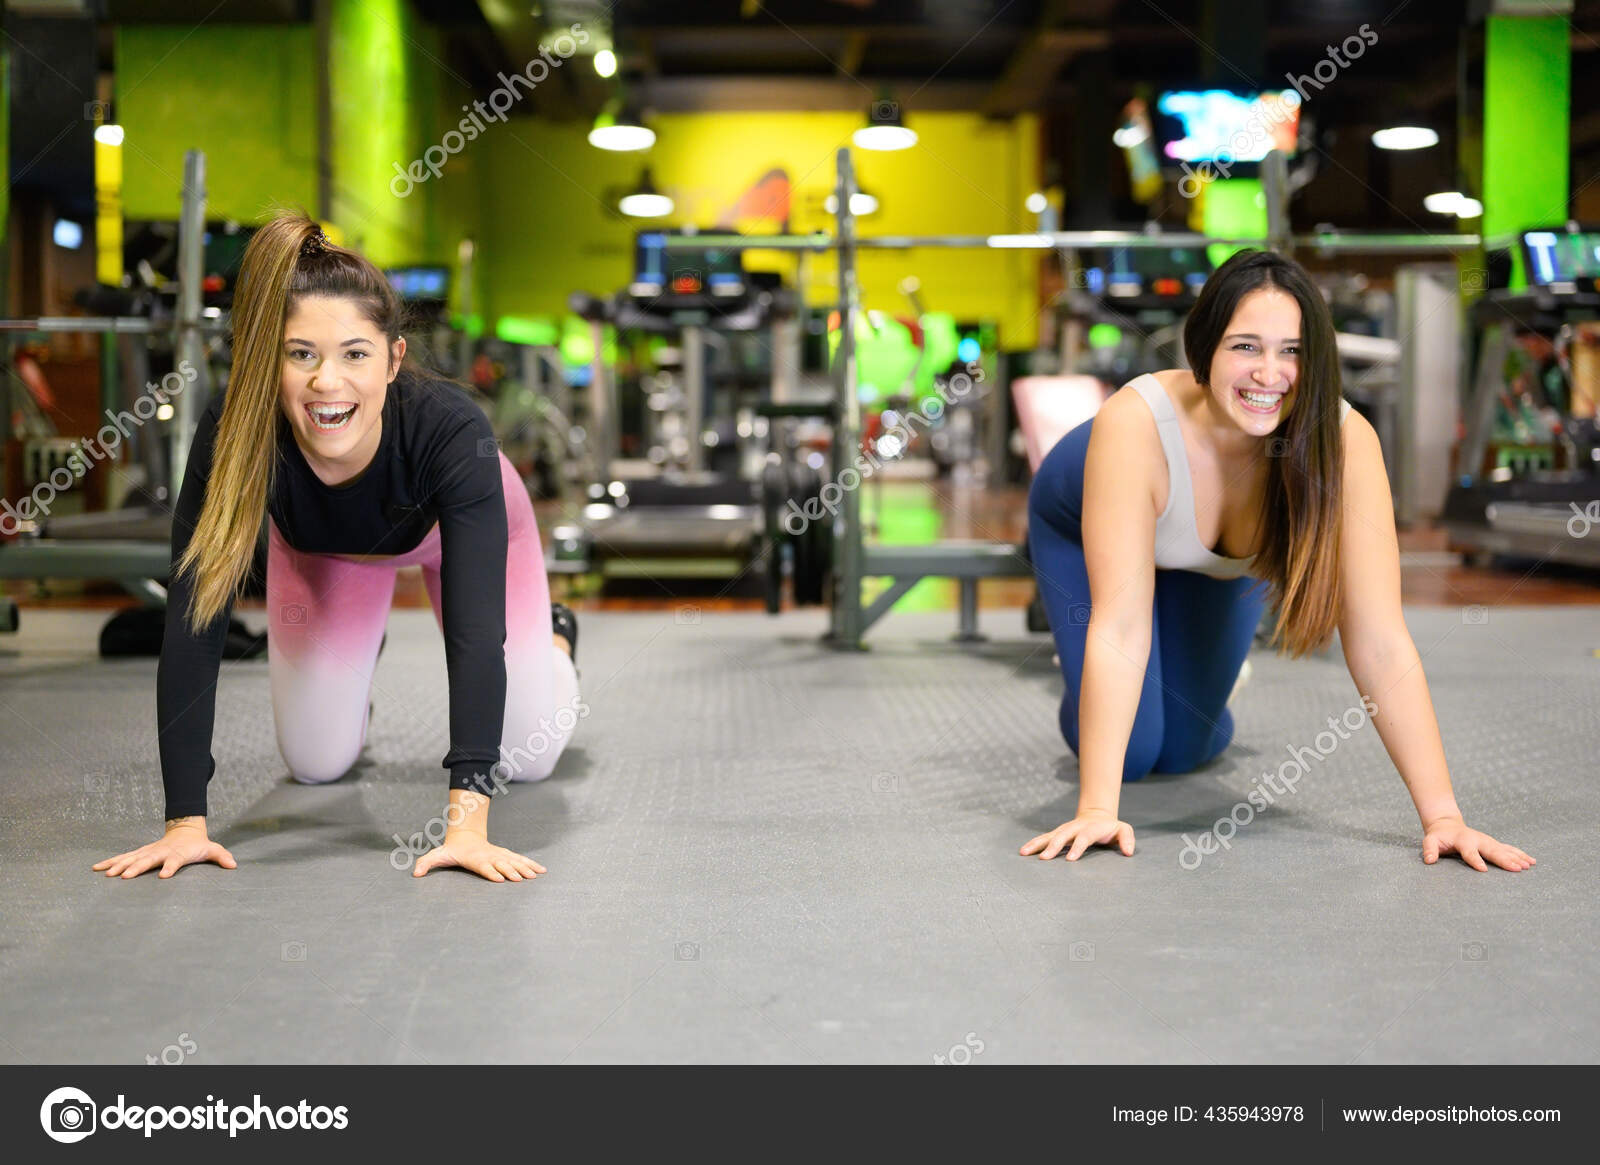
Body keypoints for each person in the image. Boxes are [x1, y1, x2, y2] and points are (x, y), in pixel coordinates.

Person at [93, 211, 581, 884]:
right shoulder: (236, 430)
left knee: (526, 758)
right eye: (301, 354)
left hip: (458, 539)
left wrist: (467, 821)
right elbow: (193, 617)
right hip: (328, 557)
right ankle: (355, 655)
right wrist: (185, 821)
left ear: (393, 358)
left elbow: (473, 632)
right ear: (275, 360)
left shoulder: (452, 431)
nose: (328, 382)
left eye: (355, 353)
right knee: (317, 761)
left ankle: (555, 640)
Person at [1020, 249, 1534, 874]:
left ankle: (1178, 676)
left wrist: (1444, 817)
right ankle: (1077, 669)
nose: (1270, 373)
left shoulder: (1343, 443)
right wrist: (1098, 809)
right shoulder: (1136, 424)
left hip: (1218, 564)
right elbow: (1121, 625)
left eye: (1291, 350)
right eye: (1245, 347)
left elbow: (1380, 642)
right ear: (1204, 347)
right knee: (1133, 752)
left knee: (1187, 748)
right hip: (1077, 518)